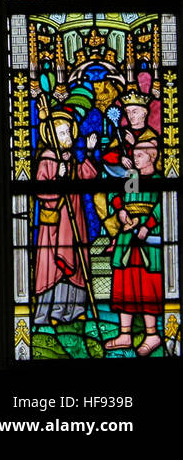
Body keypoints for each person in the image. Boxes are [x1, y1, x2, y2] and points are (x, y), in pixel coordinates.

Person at [33, 107, 98, 328]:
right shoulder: (47, 159)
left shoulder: (68, 158)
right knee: (52, 265)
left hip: (73, 220)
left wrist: (88, 152)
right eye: (62, 133)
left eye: (69, 132)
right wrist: (57, 177)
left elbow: (88, 176)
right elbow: (42, 191)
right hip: (54, 223)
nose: (67, 137)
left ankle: (72, 310)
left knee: (76, 261)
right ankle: (48, 312)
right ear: (50, 136)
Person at [103, 136, 163, 356]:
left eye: (139, 155)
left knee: (148, 283)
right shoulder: (133, 178)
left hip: (148, 237)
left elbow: (162, 206)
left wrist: (148, 225)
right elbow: (119, 197)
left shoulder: (158, 179)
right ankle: (125, 334)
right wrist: (120, 210)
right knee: (124, 281)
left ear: (151, 157)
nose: (134, 159)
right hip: (128, 236)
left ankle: (152, 334)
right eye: (134, 154)